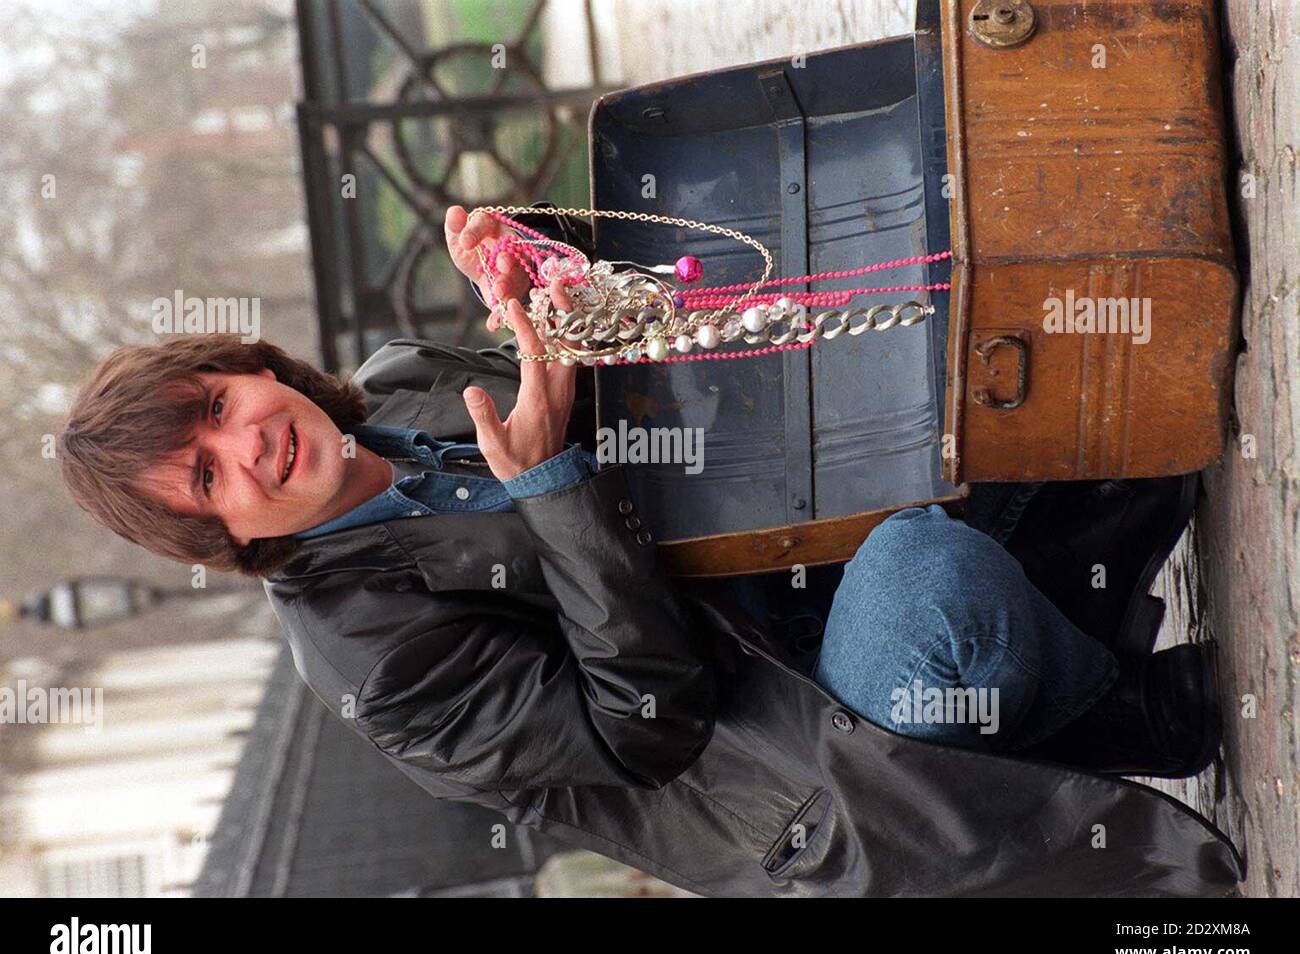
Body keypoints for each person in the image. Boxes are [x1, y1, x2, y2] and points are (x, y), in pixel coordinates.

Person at [55, 206, 1239, 896]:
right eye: (207, 476)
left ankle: (1081, 675)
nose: (247, 445)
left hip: (802, 569)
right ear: (226, 538)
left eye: (217, 405)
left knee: (1048, 374)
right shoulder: (375, 675)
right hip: (821, 746)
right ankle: (1129, 709)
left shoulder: (397, 381)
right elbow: (646, 726)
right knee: (929, 586)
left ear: (252, 368)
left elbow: (633, 362)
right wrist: (553, 491)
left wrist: (539, 255)